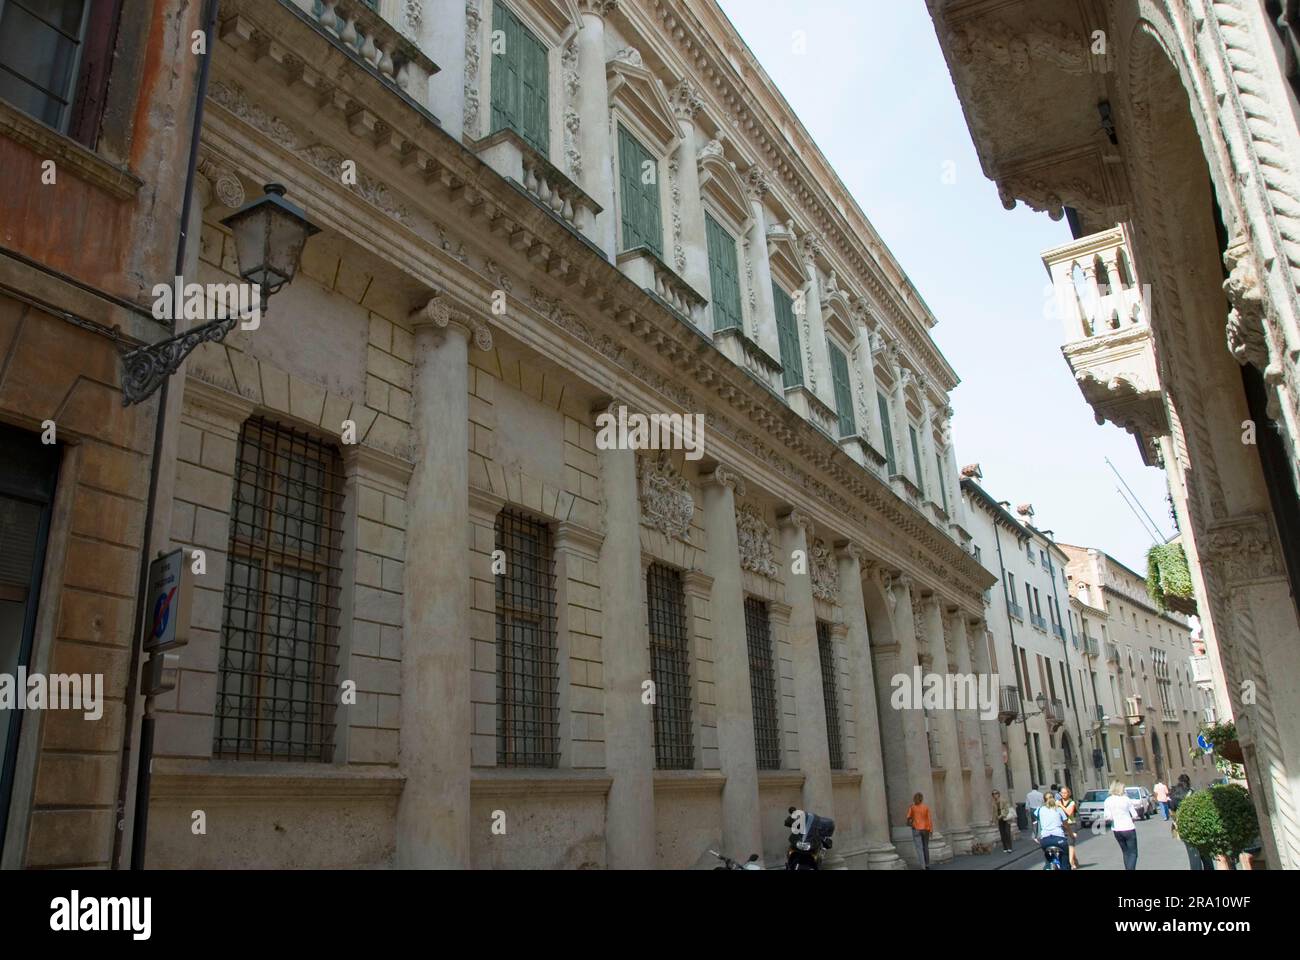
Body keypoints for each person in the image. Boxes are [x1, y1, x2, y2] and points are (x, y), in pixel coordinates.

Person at [1170, 773, 1213, 870]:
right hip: (1197, 824)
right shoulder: (1192, 792)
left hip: (1184, 826)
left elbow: (1172, 808)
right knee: (1205, 852)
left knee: (1192, 854)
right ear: (1188, 782)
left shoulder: (1175, 794)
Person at [1103, 780, 1143, 870]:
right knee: (1133, 853)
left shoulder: (1108, 800)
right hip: (1128, 827)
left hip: (1117, 829)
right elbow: (1135, 814)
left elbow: (1108, 817)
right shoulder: (1126, 799)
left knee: (1125, 852)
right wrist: (1133, 819)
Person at [1035, 791, 1071, 870]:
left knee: (1047, 858)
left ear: (1044, 801)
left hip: (1045, 840)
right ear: (1054, 799)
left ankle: (1048, 867)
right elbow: (1066, 824)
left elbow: (1036, 823)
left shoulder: (1039, 810)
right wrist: (1071, 834)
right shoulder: (1058, 809)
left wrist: (1037, 837)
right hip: (1059, 839)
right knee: (1065, 861)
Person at [906, 792, 933, 870]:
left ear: (914, 799)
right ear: (922, 799)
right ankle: (927, 864)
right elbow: (929, 819)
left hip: (916, 829)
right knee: (925, 847)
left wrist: (910, 824)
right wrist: (931, 830)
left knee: (919, 848)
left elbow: (908, 817)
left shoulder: (912, 807)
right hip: (925, 829)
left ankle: (922, 866)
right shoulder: (926, 807)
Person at [1059, 786, 1081, 869]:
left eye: (1065, 793)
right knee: (1066, 844)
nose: (1064, 794)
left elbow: (1069, 813)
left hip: (1071, 824)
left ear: (1069, 793)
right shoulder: (1058, 801)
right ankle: (1075, 860)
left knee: (1071, 843)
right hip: (1062, 825)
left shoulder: (1072, 802)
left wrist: (1061, 806)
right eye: (1062, 793)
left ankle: (1070, 862)